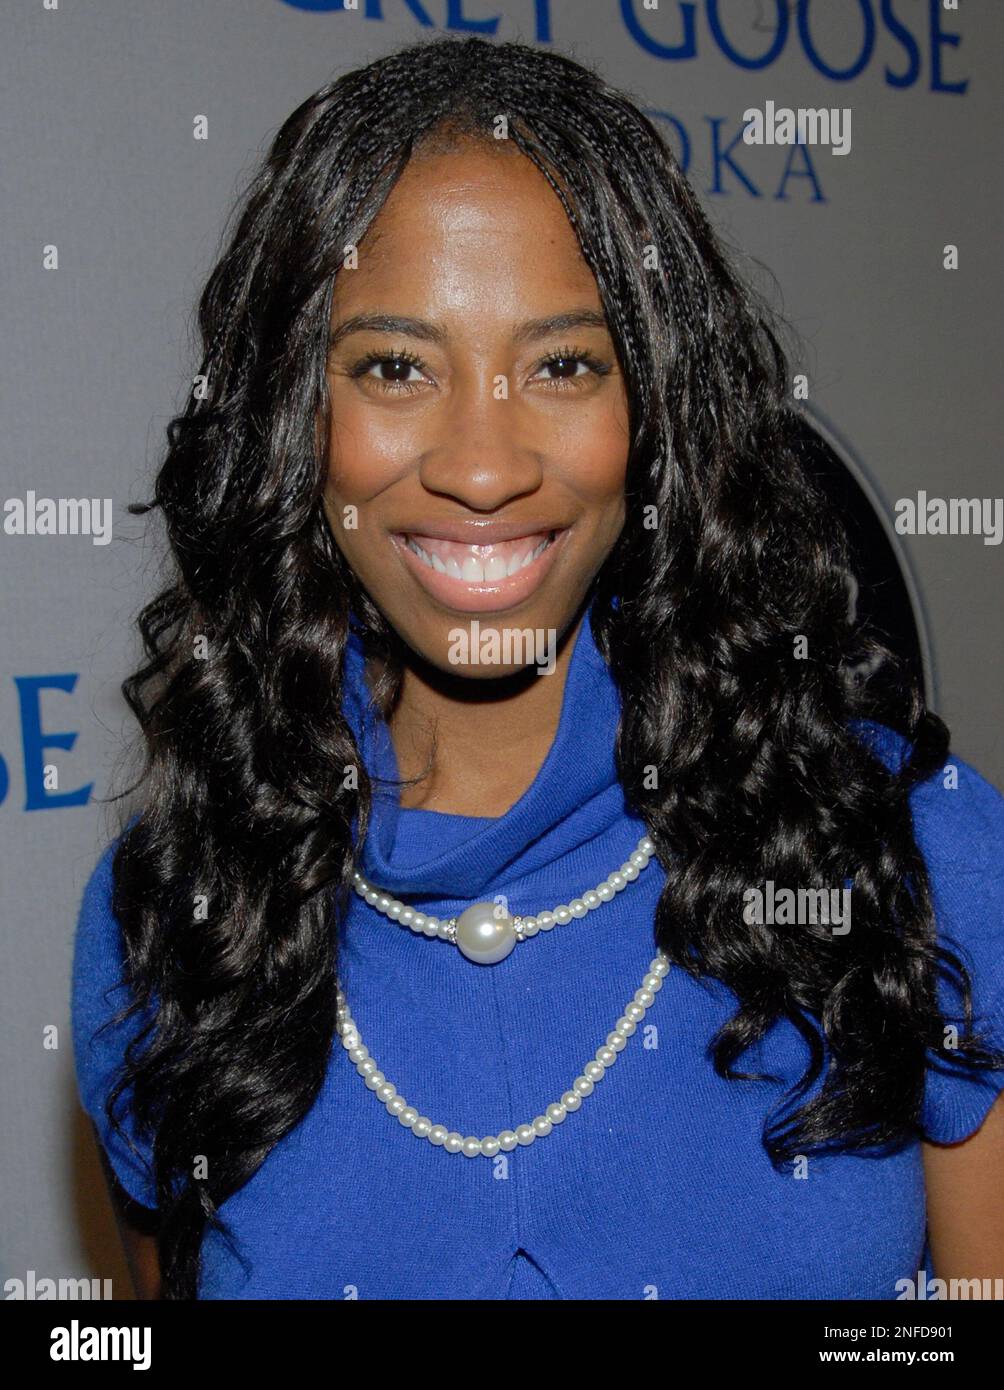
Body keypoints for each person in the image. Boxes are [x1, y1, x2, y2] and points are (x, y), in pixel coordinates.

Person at [72, 34, 1004, 1301]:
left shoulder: (898, 844)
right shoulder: (182, 911)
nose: (482, 462)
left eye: (562, 364)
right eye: (395, 367)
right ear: (295, 415)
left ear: (656, 410)